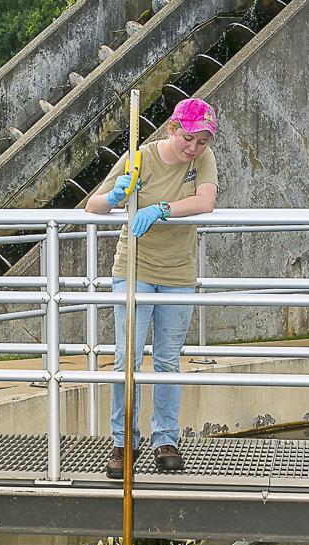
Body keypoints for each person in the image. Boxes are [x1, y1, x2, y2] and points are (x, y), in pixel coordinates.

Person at [85, 97, 218, 479]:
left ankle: (165, 440)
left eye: (202, 141)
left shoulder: (202, 160)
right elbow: (91, 207)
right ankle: (123, 442)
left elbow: (205, 201)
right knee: (128, 359)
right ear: (172, 129)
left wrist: (160, 208)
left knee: (166, 361)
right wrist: (115, 197)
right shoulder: (139, 157)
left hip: (178, 272)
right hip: (134, 266)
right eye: (188, 138)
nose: (193, 147)